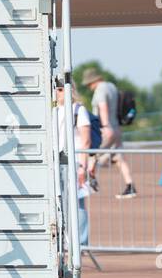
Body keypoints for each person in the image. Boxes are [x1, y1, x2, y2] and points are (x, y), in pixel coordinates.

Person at [81, 66, 136, 199]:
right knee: (119, 157)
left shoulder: (100, 89)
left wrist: (105, 126)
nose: (89, 87)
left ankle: (89, 181)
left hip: (105, 128)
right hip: (117, 127)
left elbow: (103, 107)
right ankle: (130, 185)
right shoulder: (112, 86)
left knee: (92, 153)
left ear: (93, 81)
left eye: (89, 84)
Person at [53, 84, 92, 246]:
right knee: (59, 202)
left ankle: (81, 242)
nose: (58, 93)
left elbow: (86, 140)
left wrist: (83, 166)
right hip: (57, 160)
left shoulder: (78, 110)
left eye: (61, 89)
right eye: (57, 89)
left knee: (78, 202)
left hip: (75, 160)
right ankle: (62, 240)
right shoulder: (54, 110)